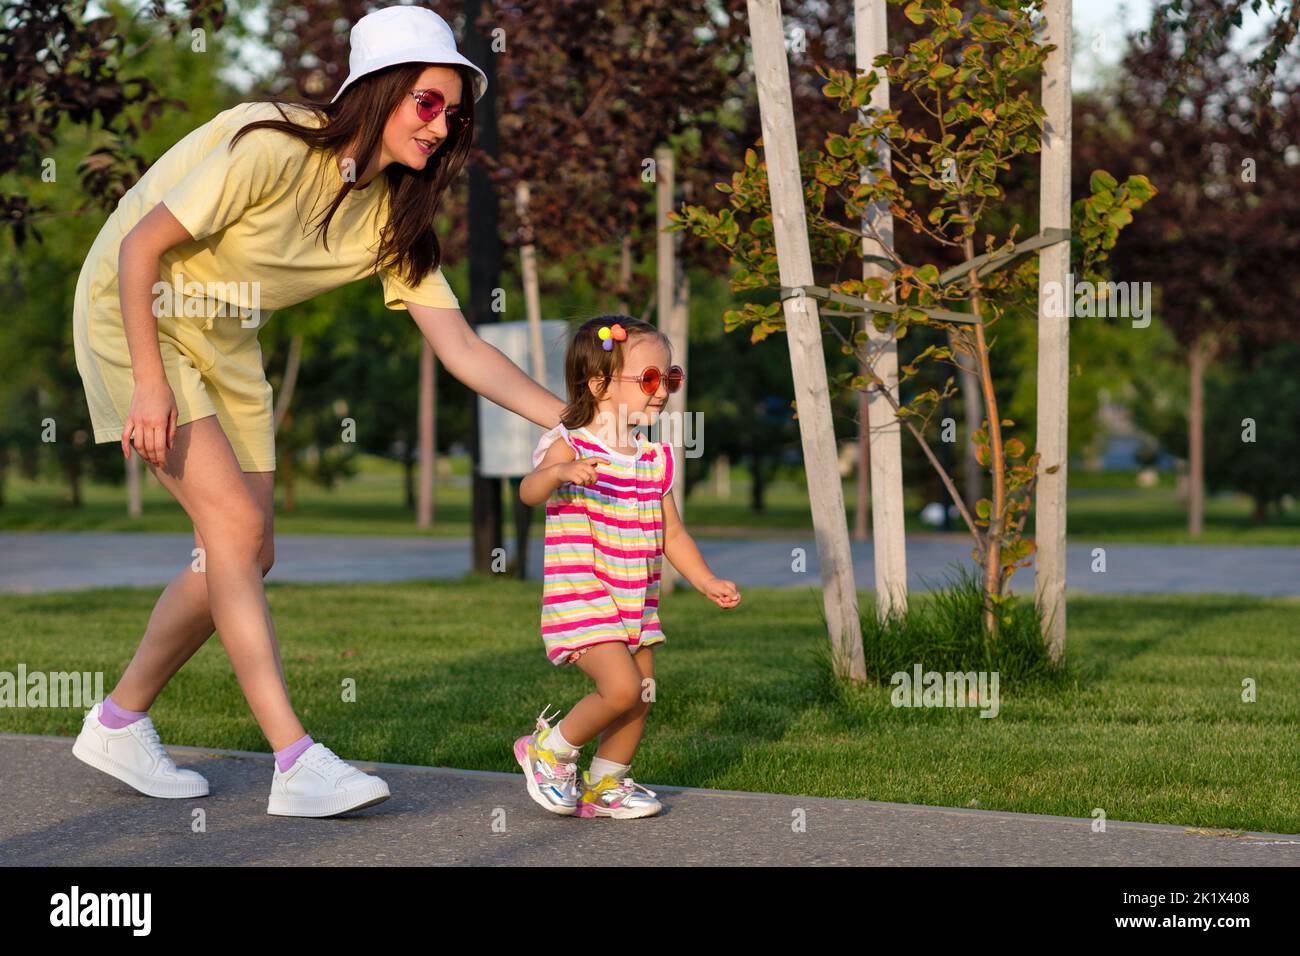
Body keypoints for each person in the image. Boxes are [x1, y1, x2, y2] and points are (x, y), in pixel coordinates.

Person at [69, 6, 565, 817]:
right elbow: (138, 246)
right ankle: (295, 760)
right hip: (135, 316)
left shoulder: (393, 217)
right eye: (427, 102)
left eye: (455, 112)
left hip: (226, 338)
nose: (442, 126)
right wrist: (149, 384)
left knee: (248, 548)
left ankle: (118, 721)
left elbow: (463, 350)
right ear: (379, 90)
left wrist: (572, 421)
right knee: (232, 529)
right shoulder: (271, 145)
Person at [513, 316, 741, 819]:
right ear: (599, 384)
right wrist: (558, 472)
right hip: (582, 596)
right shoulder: (572, 445)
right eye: (650, 379)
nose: (662, 391)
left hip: (635, 601)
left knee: (640, 696)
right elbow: (528, 492)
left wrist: (705, 579)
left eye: (670, 378)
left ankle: (605, 784)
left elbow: (672, 534)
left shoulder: (654, 459)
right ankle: (548, 750)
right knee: (619, 688)